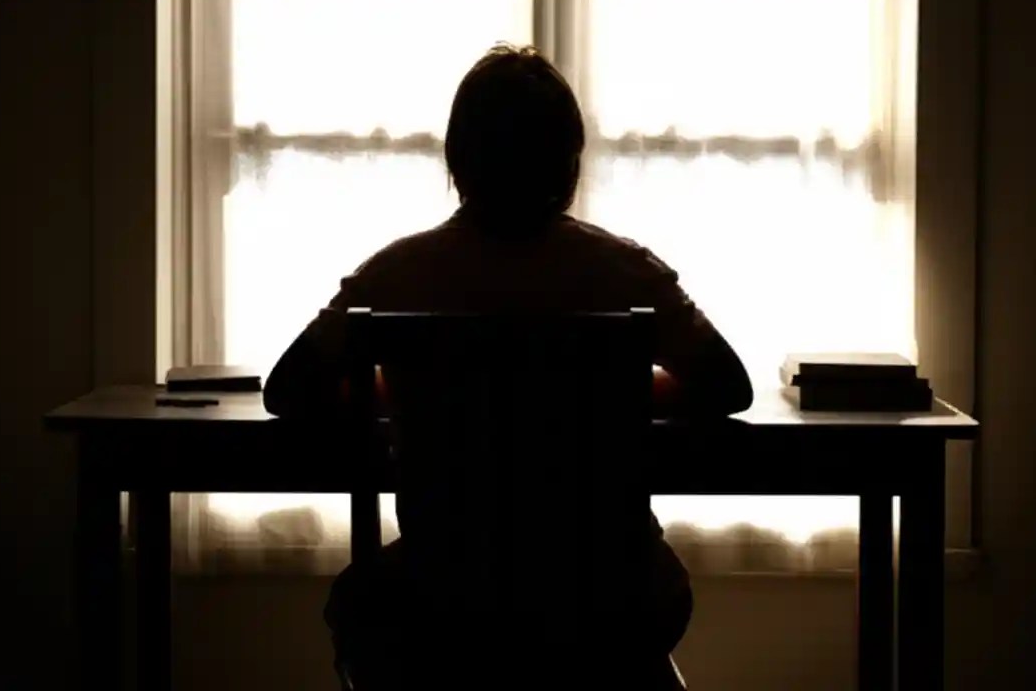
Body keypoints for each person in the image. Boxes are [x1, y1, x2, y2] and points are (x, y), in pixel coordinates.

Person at [263, 43, 753, 685]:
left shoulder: (397, 274)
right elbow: (727, 386)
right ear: (568, 160)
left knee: (367, 608)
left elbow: (288, 389)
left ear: (458, 159)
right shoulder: (628, 273)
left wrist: (410, 389)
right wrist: (613, 390)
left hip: (442, 601)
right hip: (610, 601)